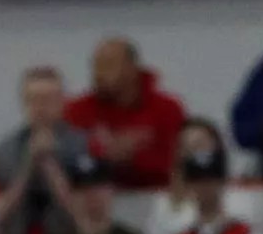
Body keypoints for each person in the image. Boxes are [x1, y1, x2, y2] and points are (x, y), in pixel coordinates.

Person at [0, 66, 93, 234]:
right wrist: (27, 167)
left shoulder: (84, 147)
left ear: (62, 102)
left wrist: (50, 165)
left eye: (48, 101)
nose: (40, 108)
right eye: (33, 101)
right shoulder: (3, 150)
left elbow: (87, 217)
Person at [68, 35, 187, 189]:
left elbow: (177, 165)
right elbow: (69, 165)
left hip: (156, 198)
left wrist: (133, 159)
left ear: (132, 68)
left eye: (108, 65)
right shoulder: (77, 110)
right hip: (96, 200)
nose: (98, 74)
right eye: (95, 66)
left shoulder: (167, 109)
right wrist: (104, 156)